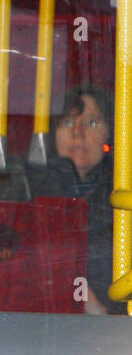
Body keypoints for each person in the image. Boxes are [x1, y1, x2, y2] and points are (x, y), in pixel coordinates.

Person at [51, 83, 116, 313]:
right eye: (67, 122)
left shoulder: (122, 200)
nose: (77, 132)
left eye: (91, 122)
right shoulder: (29, 197)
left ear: (109, 132)